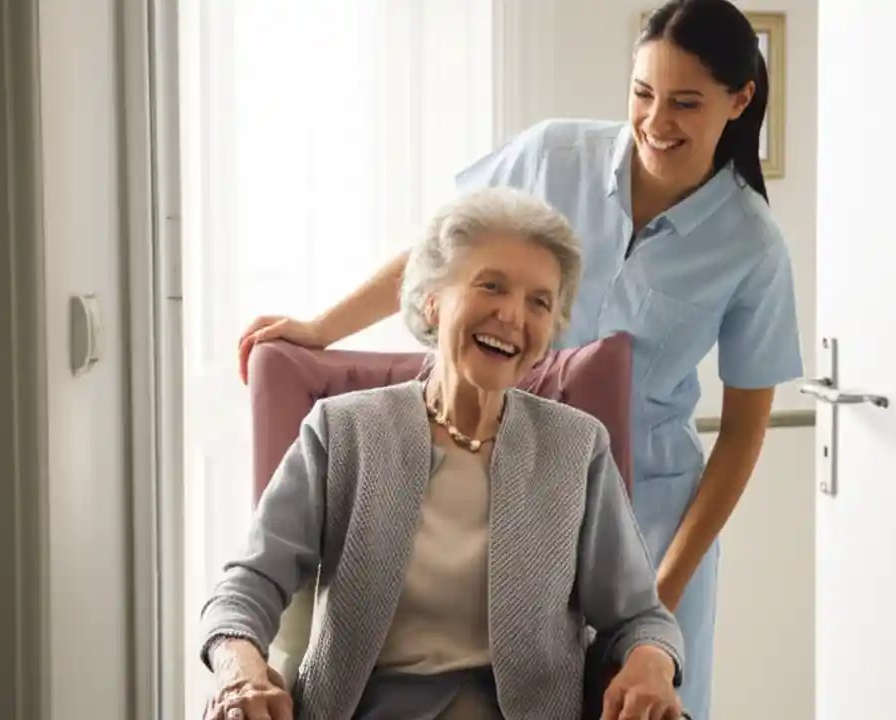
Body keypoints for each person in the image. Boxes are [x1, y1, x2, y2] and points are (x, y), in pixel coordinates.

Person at [236, 1, 801, 716]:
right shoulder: (554, 156)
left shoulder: (752, 246)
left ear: (739, 99)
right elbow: (446, 253)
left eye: (686, 103)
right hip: (510, 467)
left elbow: (745, 432)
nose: (657, 121)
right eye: (642, 93)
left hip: (652, 507)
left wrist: (664, 592)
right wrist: (321, 327)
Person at [201, 189, 684, 720]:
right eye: (491, 285)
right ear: (432, 299)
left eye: (539, 302)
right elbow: (247, 586)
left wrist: (650, 666)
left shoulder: (576, 447)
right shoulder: (344, 431)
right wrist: (238, 671)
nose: (512, 315)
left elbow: (639, 617)